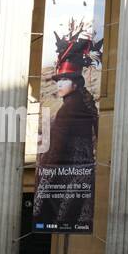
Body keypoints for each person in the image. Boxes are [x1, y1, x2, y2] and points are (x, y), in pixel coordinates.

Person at [33, 24, 102, 232]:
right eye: (59, 79)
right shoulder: (87, 102)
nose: (60, 84)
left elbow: (54, 153)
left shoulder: (68, 109)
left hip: (68, 179)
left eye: (66, 79)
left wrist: (42, 179)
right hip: (84, 175)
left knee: (51, 216)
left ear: (76, 83)